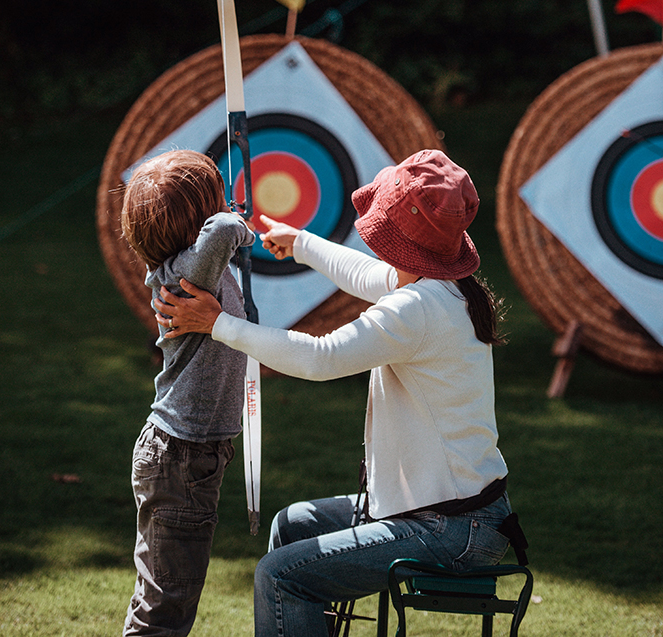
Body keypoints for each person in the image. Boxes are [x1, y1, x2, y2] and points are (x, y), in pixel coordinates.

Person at [154, 149, 525, 637]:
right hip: (454, 515)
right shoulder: (444, 285)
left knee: (280, 577)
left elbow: (320, 358)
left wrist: (218, 323)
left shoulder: (417, 308)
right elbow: (367, 275)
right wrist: (302, 243)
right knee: (292, 524)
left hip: (451, 529)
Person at [119, 149, 255, 637]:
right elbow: (223, 230)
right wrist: (242, 226)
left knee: (167, 597)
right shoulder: (187, 275)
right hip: (182, 456)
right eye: (216, 200)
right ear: (200, 218)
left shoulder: (194, 271)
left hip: (187, 454)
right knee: (165, 608)